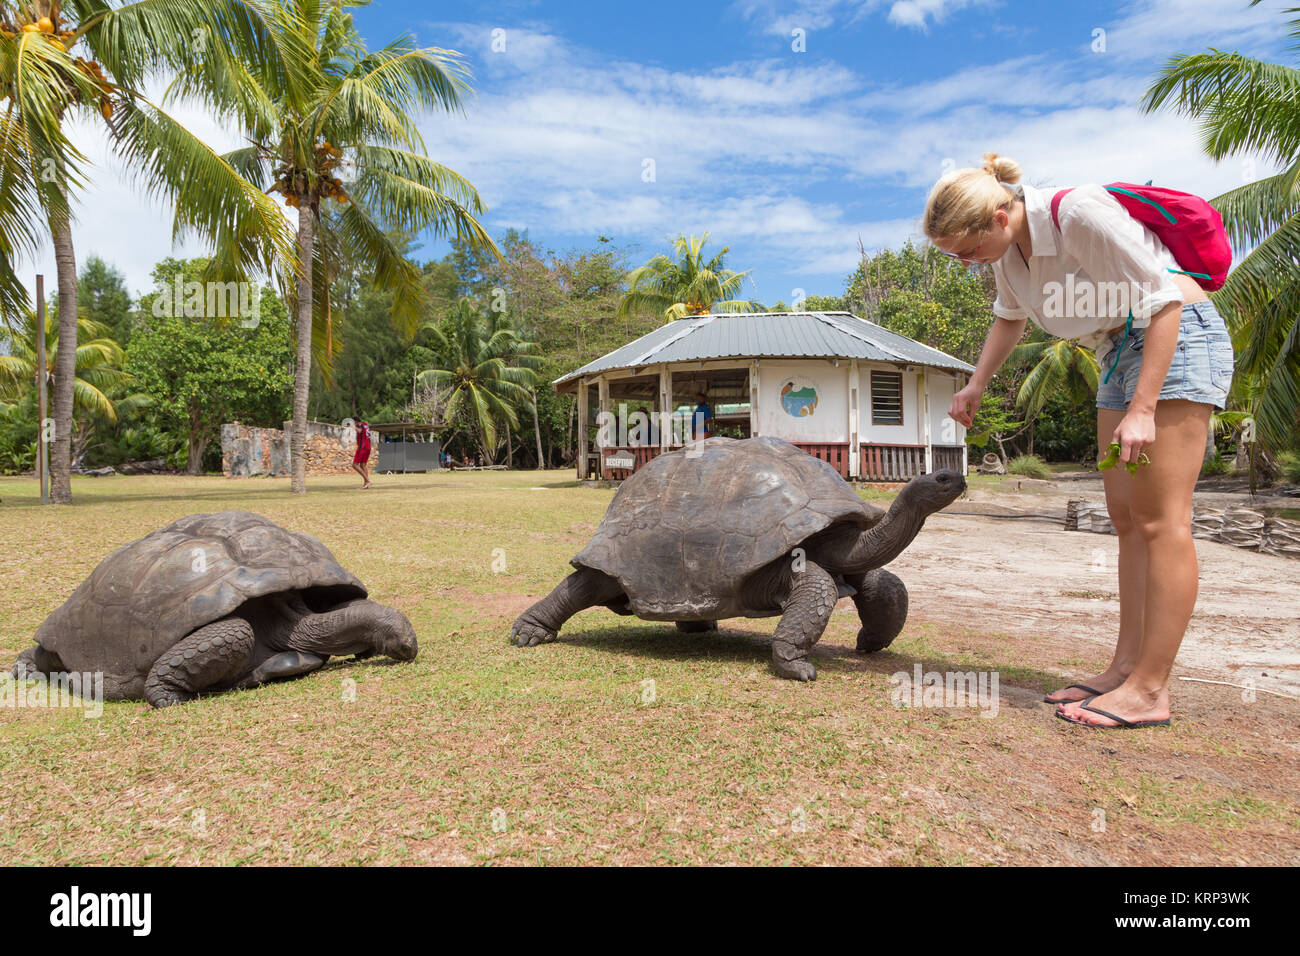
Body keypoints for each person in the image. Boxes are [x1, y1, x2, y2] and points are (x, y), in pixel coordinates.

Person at [924, 153, 1234, 730]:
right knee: (1126, 518)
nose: (965, 262)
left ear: (998, 214)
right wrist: (975, 385)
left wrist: (1144, 407)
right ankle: (1123, 669)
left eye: (966, 249)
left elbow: (1163, 299)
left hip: (1174, 337)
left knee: (1162, 520)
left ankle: (1150, 689)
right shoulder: (1008, 250)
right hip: (1114, 351)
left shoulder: (1080, 213)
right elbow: (1009, 318)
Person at [351, 419, 372, 489]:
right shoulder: (365, 424)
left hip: (362, 447)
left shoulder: (360, 425)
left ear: (356, 422)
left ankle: (368, 480)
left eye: (354, 423)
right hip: (368, 447)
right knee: (363, 465)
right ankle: (366, 484)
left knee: (354, 465)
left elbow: (360, 431)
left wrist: (354, 427)